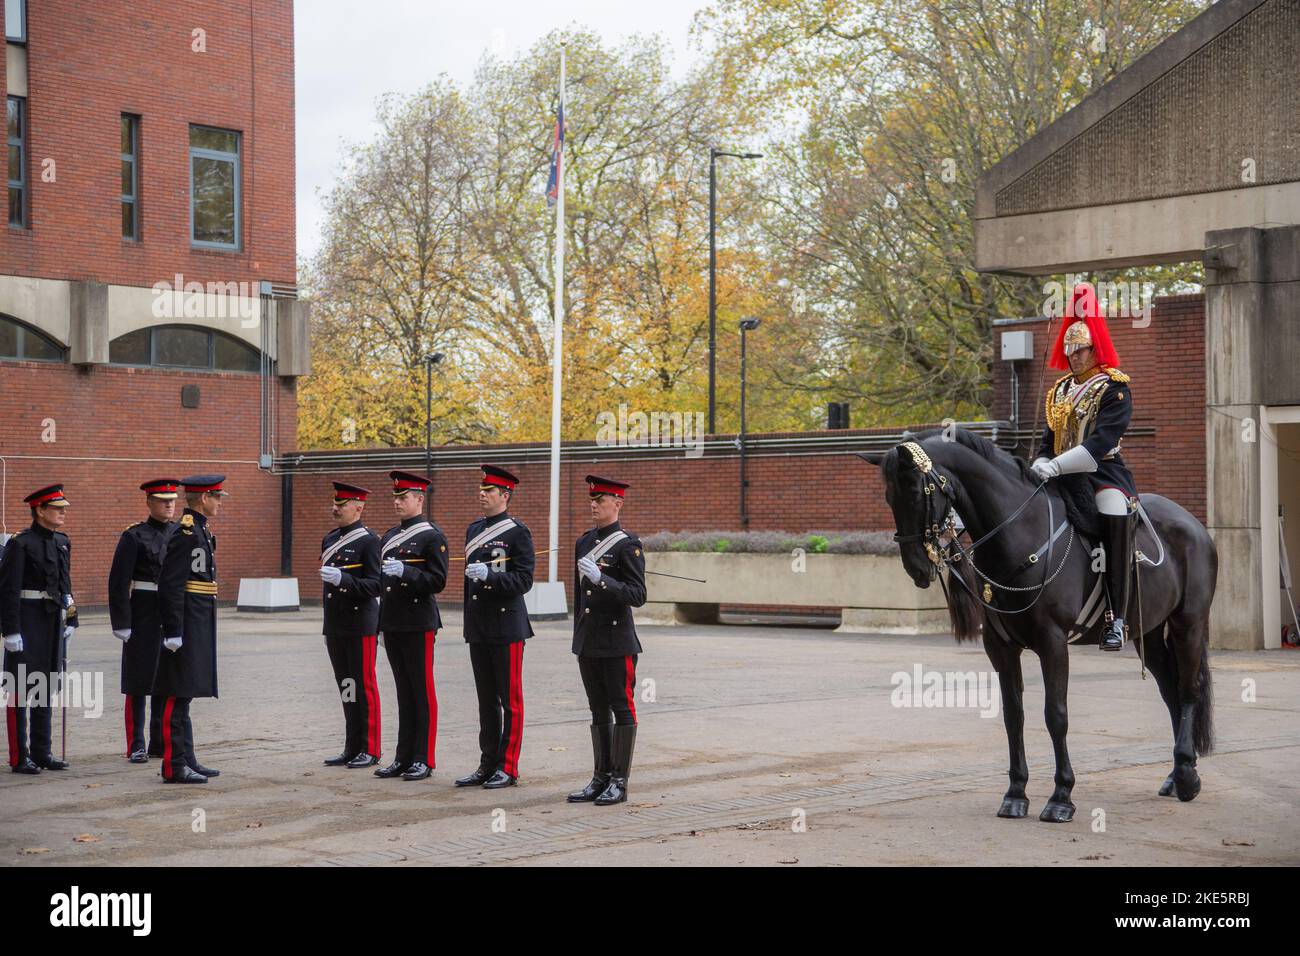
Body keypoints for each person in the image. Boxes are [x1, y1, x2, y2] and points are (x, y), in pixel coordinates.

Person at [1032, 283, 1137, 651]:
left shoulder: (1115, 387)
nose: (1075, 355)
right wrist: (1041, 464)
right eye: (1070, 349)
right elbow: (1047, 443)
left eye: (1082, 349)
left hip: (1102, 472)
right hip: (1059, 472)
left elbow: (1100, 443)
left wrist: (1056, 466)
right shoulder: (1058, 391)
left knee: (1113, 509)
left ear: (1096, 348)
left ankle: (1117, 618)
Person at [568, 476, 646, 806]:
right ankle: (599, 777)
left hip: (617, 640)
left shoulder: (627, 544)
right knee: (597, 709)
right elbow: (578, 598)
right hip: (590, 639)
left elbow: (637, 594)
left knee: (621, 707)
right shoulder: (584, 542)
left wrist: (603, 580)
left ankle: (619, 781)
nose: (594, 505)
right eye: (592, 500)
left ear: (618, 503)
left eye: (601, 500)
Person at [455, 465, 534, 790]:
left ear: (505, 495)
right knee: (486, 700)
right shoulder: (474, 530)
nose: (482, 494)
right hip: (480, 625)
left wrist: (492, 577)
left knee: (509, 699)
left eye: (489, 491)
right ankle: (487, 764)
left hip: (506, 625)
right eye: (481, 489)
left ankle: (508, 766)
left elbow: (524, 580)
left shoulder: (518, 533)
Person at [374, 471, 449, 781]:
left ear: (419, 499)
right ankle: (403, 756)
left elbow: (438, 581)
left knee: (421, 690)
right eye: (395, 496)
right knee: (403, 692)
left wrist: (406, 571)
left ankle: (424, 757)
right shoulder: (389, 536)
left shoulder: (432, 536)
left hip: (419, 622)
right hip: (394, 621)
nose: (397, 502)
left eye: (403, 497)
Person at [1, 485, 78, 774]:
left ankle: (42, 751)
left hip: (51, 619)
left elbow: (65, 584)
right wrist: (10, 630)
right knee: (20, 689)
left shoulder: (62, 541)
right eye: (57, 508)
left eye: (63, 507)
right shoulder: (20, 543)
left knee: (46, 687)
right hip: (26, 619)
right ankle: (19, 756)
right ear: (40, 510)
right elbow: (7, 589)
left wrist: (71, 618)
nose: (63, 512)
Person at [155, 475, 226, 783]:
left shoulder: (199, 528)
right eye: (218, 497)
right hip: (184, 620)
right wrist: (173, 629)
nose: (220, 503)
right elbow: (171, 583)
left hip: (198, 617)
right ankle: (173, 764)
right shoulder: (185, 531)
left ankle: (188, 757)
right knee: (176, 692)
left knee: (187, 692)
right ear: (204, 498)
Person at [108, 478, 180, 763]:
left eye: (172, 500)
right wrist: (121, 622)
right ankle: (136, 743)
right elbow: (118, 582)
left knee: (167, 678)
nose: (169, 505)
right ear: (149, 502)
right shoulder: (134, 536)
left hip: (171, 611)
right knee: (139, 680)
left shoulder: (179, 534)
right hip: (143, 612)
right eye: (163, 500)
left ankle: (159, 742)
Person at [318, 481, 383, 769]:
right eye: (335, 503)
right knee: (346, 685)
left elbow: (376, 584)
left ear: (358, 507)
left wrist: (344, 580)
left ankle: (370, 747)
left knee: (364, 685)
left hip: (360, 624)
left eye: (341, 504)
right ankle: (351, 745)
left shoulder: (370, 541)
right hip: (336, 624)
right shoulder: (330, 539)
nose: (335, 508)